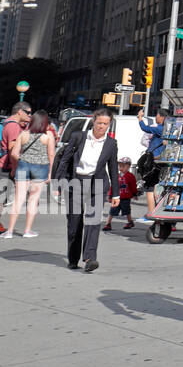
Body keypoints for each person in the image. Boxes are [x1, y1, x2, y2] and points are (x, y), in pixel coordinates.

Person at [58, 109, 120, 272]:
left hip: (98, 185)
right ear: (94, 121)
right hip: (76, 182)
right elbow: (64, 161)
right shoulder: (78, 136)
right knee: (74, 223)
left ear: (109, 124)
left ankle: (90, 258)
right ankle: (73, 258)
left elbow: (113, 169)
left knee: (93, 222)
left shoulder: (111, 144)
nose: (102, 126)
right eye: (99, 123)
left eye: (105, 124)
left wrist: (116, 193)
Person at [4, 108, 53, 238]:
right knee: (33, 199)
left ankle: (9, 231)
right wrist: (50, 173)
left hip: (23, 166)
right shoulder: (47, 136)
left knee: (18, 199)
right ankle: (27, 230)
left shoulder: (24, 134)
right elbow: (51, 155)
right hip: (41, 168)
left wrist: (15, 167)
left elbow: (14, 153)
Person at [0, 102, 33, 232]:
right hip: (6, 166)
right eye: (28, 112)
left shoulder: (8, 123)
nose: (30, 115)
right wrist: (14, 169)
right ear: (20, 112)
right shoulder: (13, 126)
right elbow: (12, 149)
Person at [137, 112, 167, 215]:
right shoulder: (169, 129)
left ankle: (151, 214)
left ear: (162, 117)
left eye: (157, 115)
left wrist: (140, 118)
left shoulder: (160, 128)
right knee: (159, 187)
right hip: (163, 161)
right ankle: (160, 212)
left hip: (154, 161)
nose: (156, 117)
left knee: (150, 188)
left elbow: (144, 128)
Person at [104, 158, 138, 231]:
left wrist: (134, 194)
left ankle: (130, 222)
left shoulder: (130, 176)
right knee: (112, 211)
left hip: (125, 198)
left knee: (126, 211)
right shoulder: (116, 176)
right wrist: (110, 195)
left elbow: (133, 186)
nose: (121, 168)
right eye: (119, 166)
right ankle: (108, 224)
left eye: (123, 166)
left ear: (128, 166)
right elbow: (112, 186)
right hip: (116, 197)